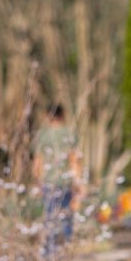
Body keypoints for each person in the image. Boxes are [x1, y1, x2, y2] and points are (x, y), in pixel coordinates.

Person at [32, 103, 82, 253]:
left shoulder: (42, 135)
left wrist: (38, 182)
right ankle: (65, 251)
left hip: (48, 182)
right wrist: (78, 182)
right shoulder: (69, 134)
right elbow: (74, 160)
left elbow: (37, 162)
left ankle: (50, 254)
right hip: (65, 182)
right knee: (66, 217)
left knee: (50, 218)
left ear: (48, 116)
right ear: (63, 115)